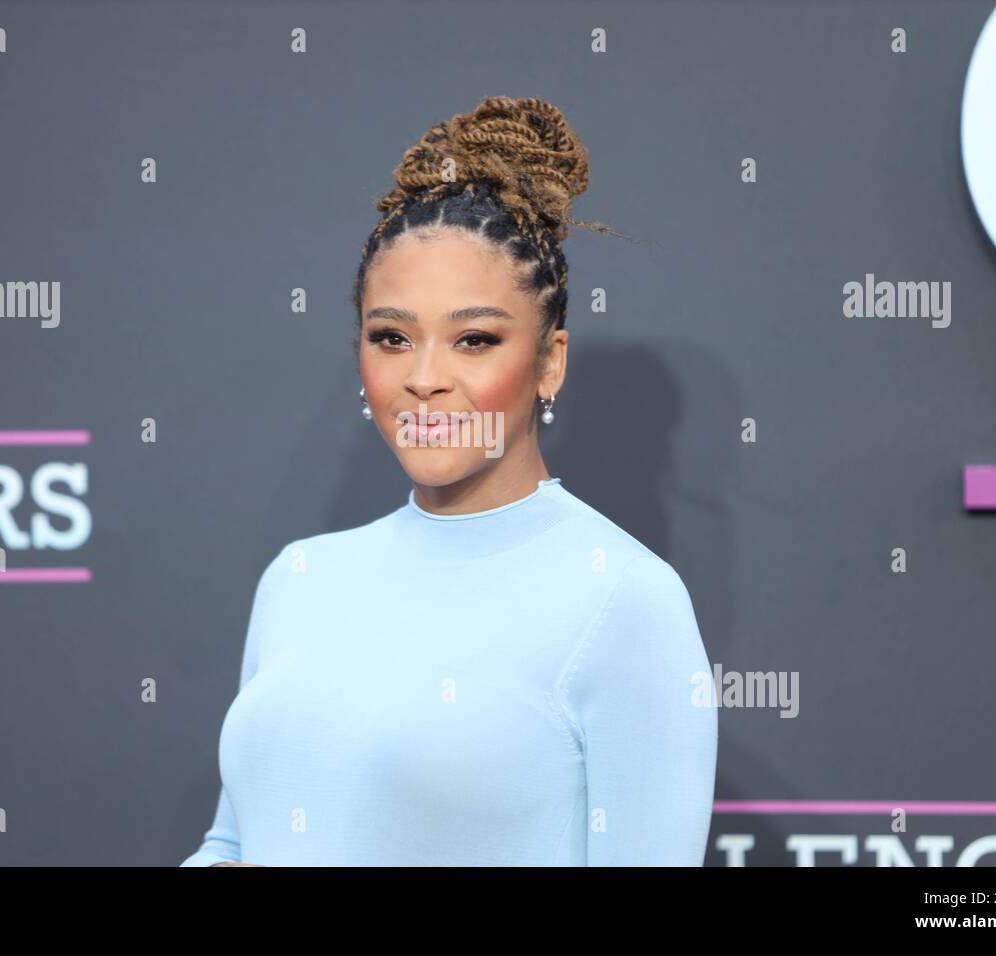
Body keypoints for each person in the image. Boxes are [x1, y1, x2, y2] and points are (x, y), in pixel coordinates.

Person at [181, 95, 717, 866]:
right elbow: (231, 845)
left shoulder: (625, 600)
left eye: (474, 339)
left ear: (550, 361)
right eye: (392, 337)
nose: (425, 378)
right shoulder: (299, 577)